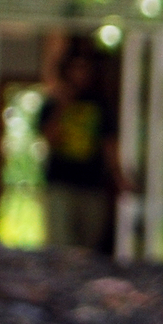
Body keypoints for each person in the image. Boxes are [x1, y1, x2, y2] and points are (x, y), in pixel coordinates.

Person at [38, 43, 122, 255]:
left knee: (88, 245)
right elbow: (49, 138)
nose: (80, 73)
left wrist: (118, 176)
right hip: (60, 183)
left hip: (92, 184)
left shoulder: (100, 105)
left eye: (85, 68)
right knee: (60, 244)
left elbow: (109, 144)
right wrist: (62, 106)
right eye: (75, 68)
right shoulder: (53, 103)